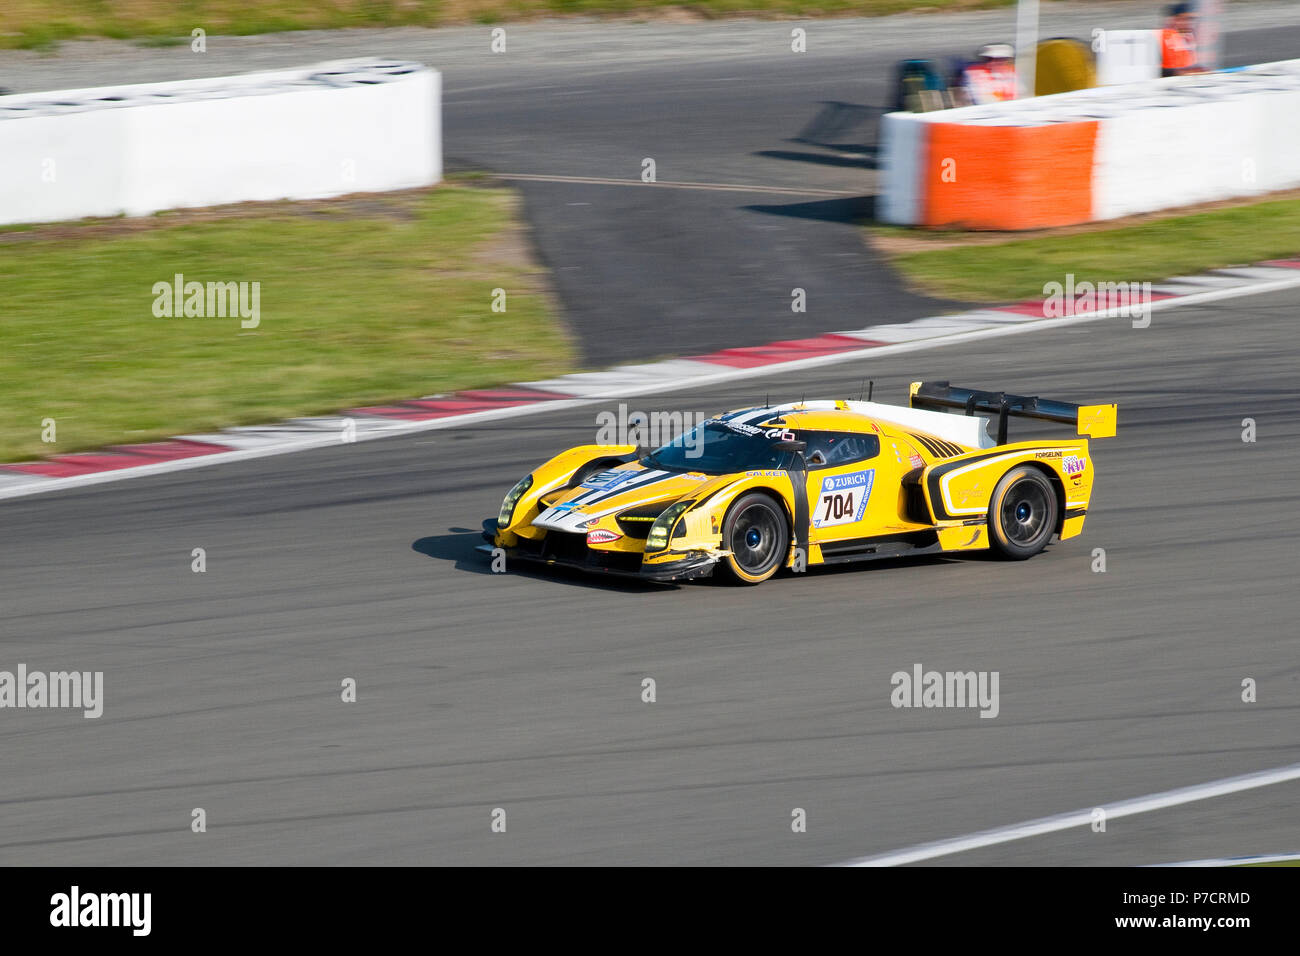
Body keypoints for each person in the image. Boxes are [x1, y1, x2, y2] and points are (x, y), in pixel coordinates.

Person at [1161, 2, 1202, 76]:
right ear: (1174, 20)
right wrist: (1179, 72)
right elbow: (1154, 70)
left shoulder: (1191, 37)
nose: (1190, 23)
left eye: (1192, 19)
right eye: (1186, 19)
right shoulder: (1163, 38)